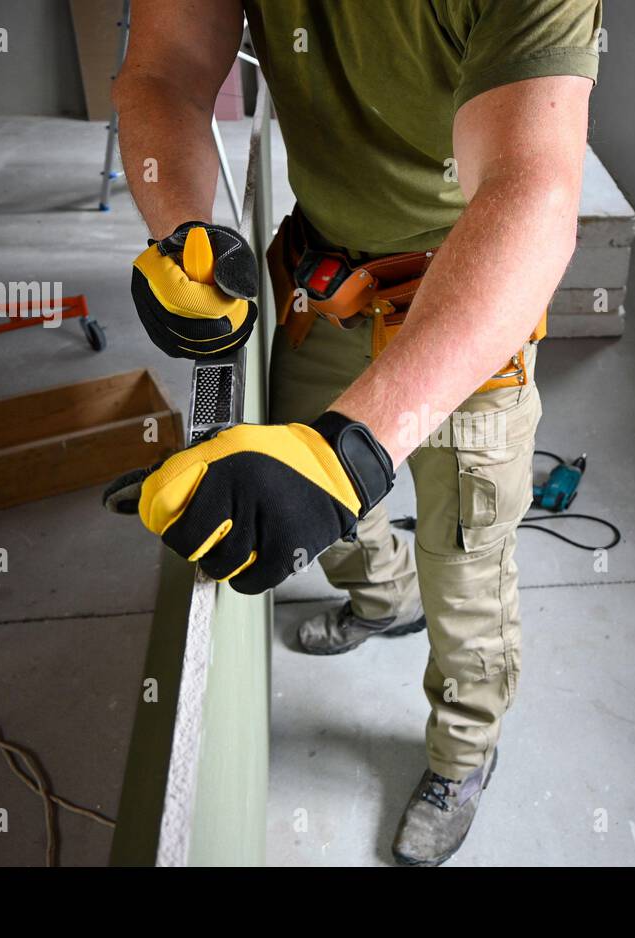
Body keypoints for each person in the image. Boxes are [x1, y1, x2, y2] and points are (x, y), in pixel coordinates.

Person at [112, 0, 601, 866]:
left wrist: (360, 450)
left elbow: (535, 189)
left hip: (470, 306)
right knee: (312, 495)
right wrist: (183, 234)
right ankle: (383, 597)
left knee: (468, 569)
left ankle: (462, 756)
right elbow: (163, 73)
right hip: (322, 279)